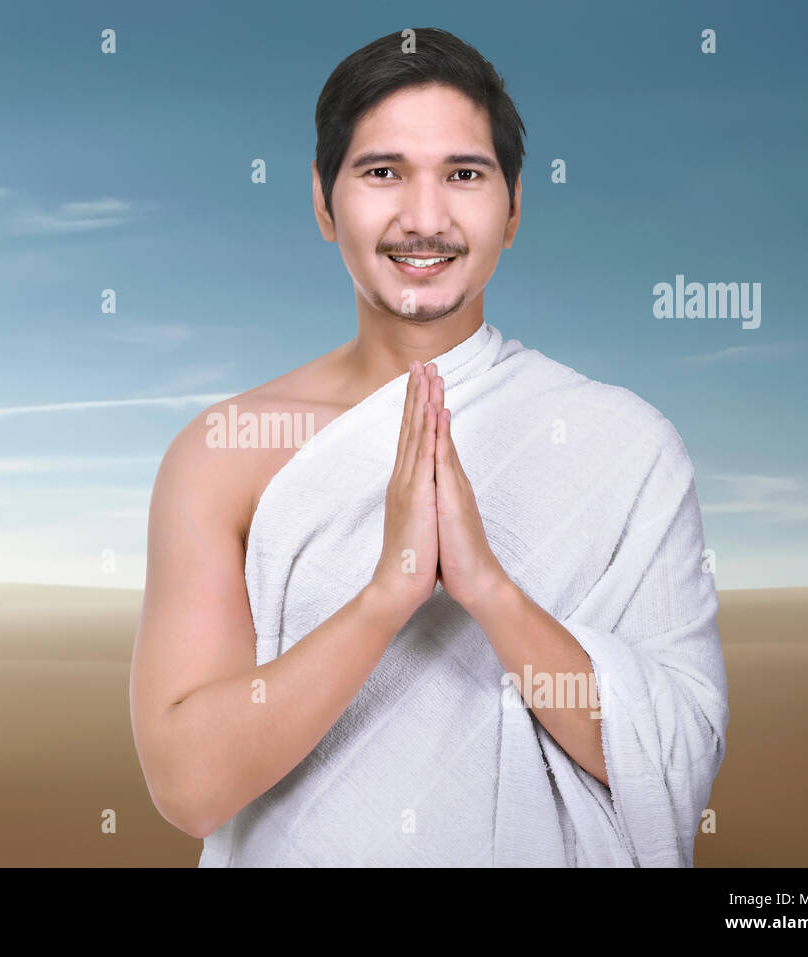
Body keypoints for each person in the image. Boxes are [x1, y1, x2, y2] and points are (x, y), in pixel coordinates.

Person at [129, 27, 728, 866]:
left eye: (464, 174)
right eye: (382, 172)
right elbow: (190, 786)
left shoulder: (628, 447)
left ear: (513, 207)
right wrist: (388, 595)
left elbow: (674, 761)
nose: (425, 218)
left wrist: (487, 589)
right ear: (322, 199)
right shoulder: (223, 455)